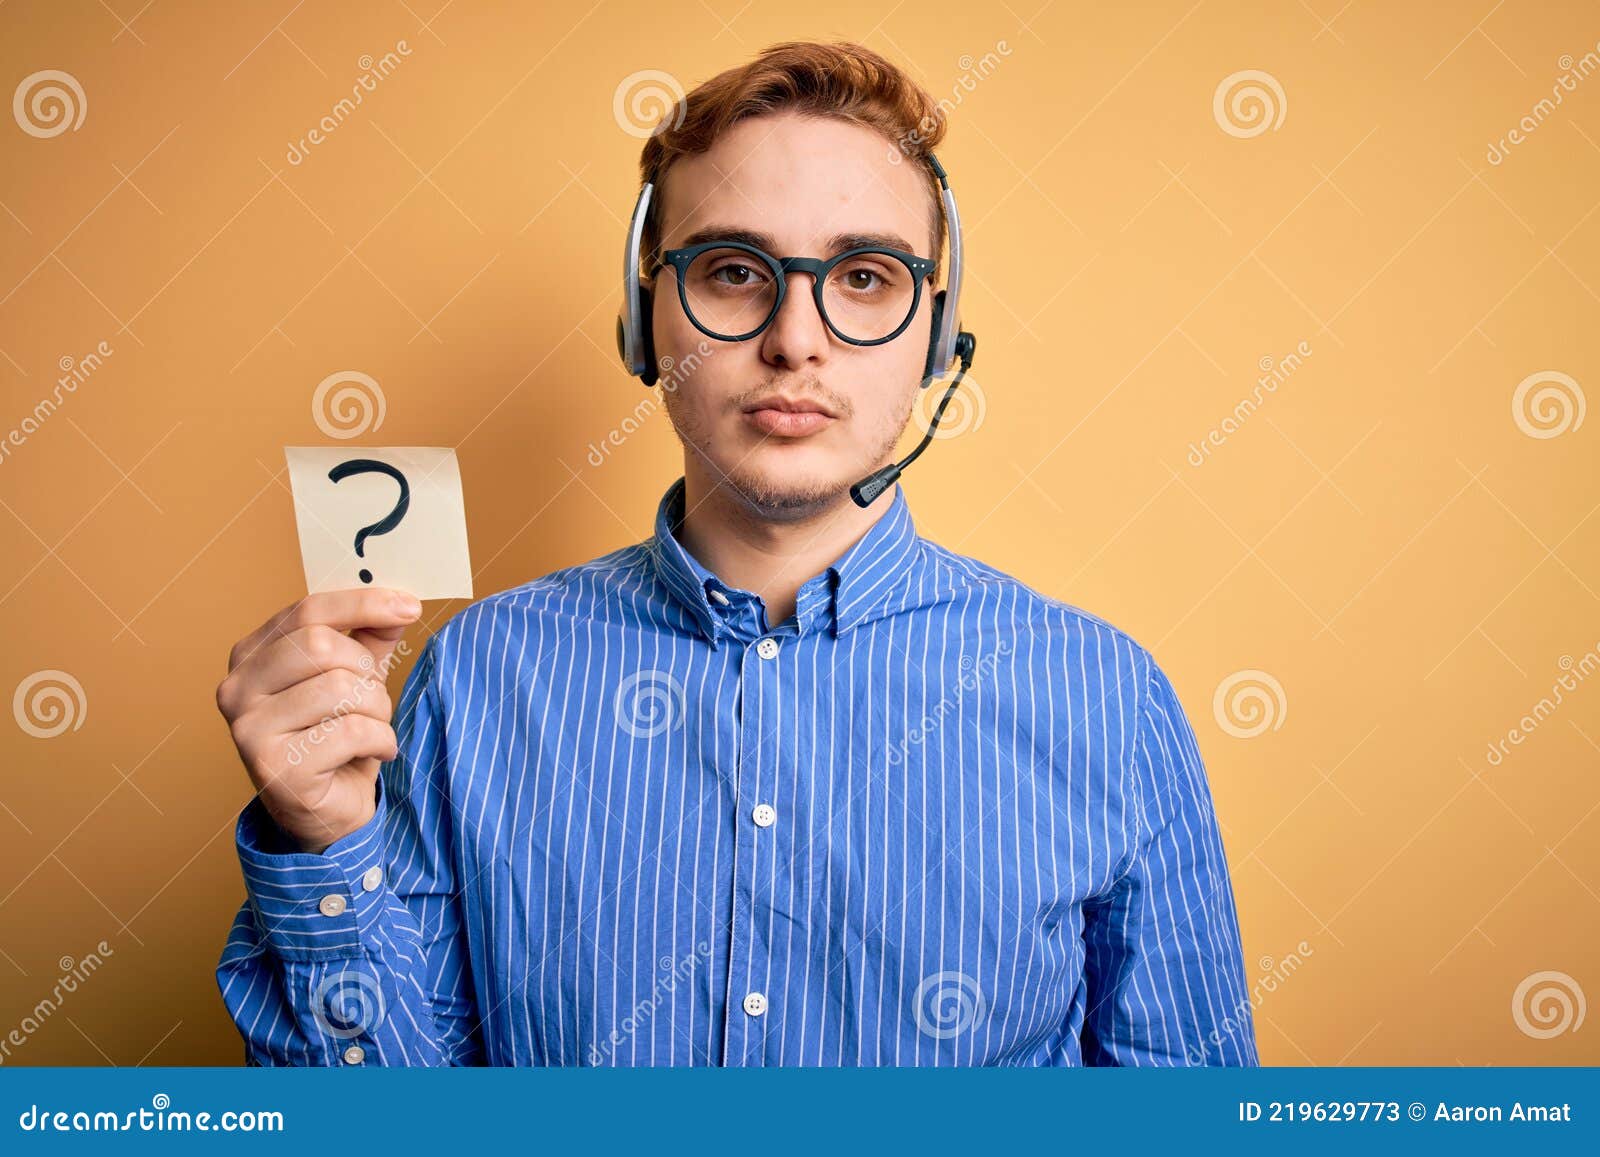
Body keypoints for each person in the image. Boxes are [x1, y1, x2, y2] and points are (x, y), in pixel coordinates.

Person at [214, 40, 1258, 1067]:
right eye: (730, 270)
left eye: (863, 275)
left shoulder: (1105, 699)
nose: (794, 338)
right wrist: (325, 843)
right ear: (642, 318)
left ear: (937, 335)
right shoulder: (478, 676)